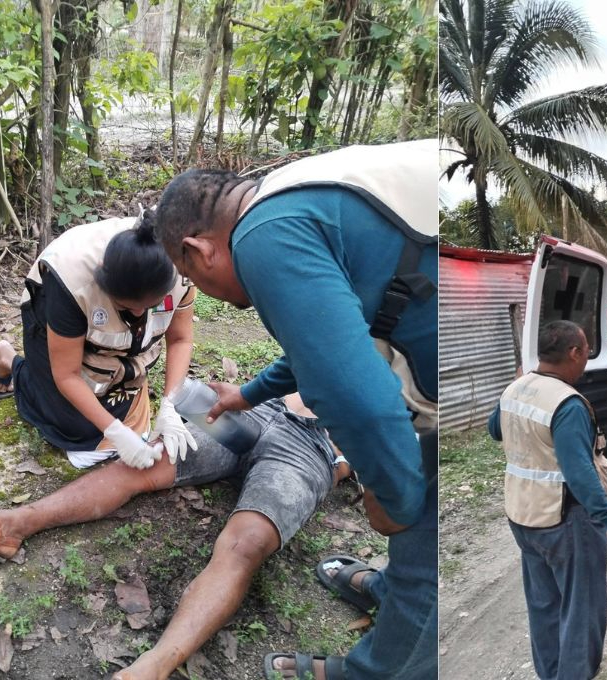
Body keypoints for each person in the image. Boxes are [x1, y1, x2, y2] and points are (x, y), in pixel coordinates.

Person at [147, 140, 437, 680]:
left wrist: (389, 494)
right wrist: (249, 394)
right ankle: (389, 590)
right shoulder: (286, 197)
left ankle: (378, 666)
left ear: (198, 250)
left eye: (192, 278)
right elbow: (326, 341)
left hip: (451, 384)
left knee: (423, 544)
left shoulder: (262, 239)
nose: (207, 294)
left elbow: (359, 400)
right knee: (416, 551)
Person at [0, 393, 352, 645]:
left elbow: (397, 437)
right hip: (259, 408)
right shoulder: (340, 295)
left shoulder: (413, 349)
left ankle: (155, 663)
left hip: (314, 445)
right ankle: (11, 526)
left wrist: (340, 464)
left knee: (247, 542)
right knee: (141, 464)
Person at [0, 213, 195, 470]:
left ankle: (122, 382)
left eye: (150, 306)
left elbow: (180, 339)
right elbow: (67, 375)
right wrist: (114, 431)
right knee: (73, 427)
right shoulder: (71, 282)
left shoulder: (181, 268)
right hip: (52, 322)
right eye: (126, 306)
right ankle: (9, 359)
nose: (138, 314)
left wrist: (170, 404)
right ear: (102, 278)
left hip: (120, 345)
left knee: (117, 417)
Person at [488, 320, 607, 680]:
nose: (587, 359)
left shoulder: (516, 387)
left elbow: (495, 429)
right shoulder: (567, 404)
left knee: (544, 605)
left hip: (523, 517)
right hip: (565, 520)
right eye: (586, 351)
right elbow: (580, 473)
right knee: (582, 611)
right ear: (573, 352)